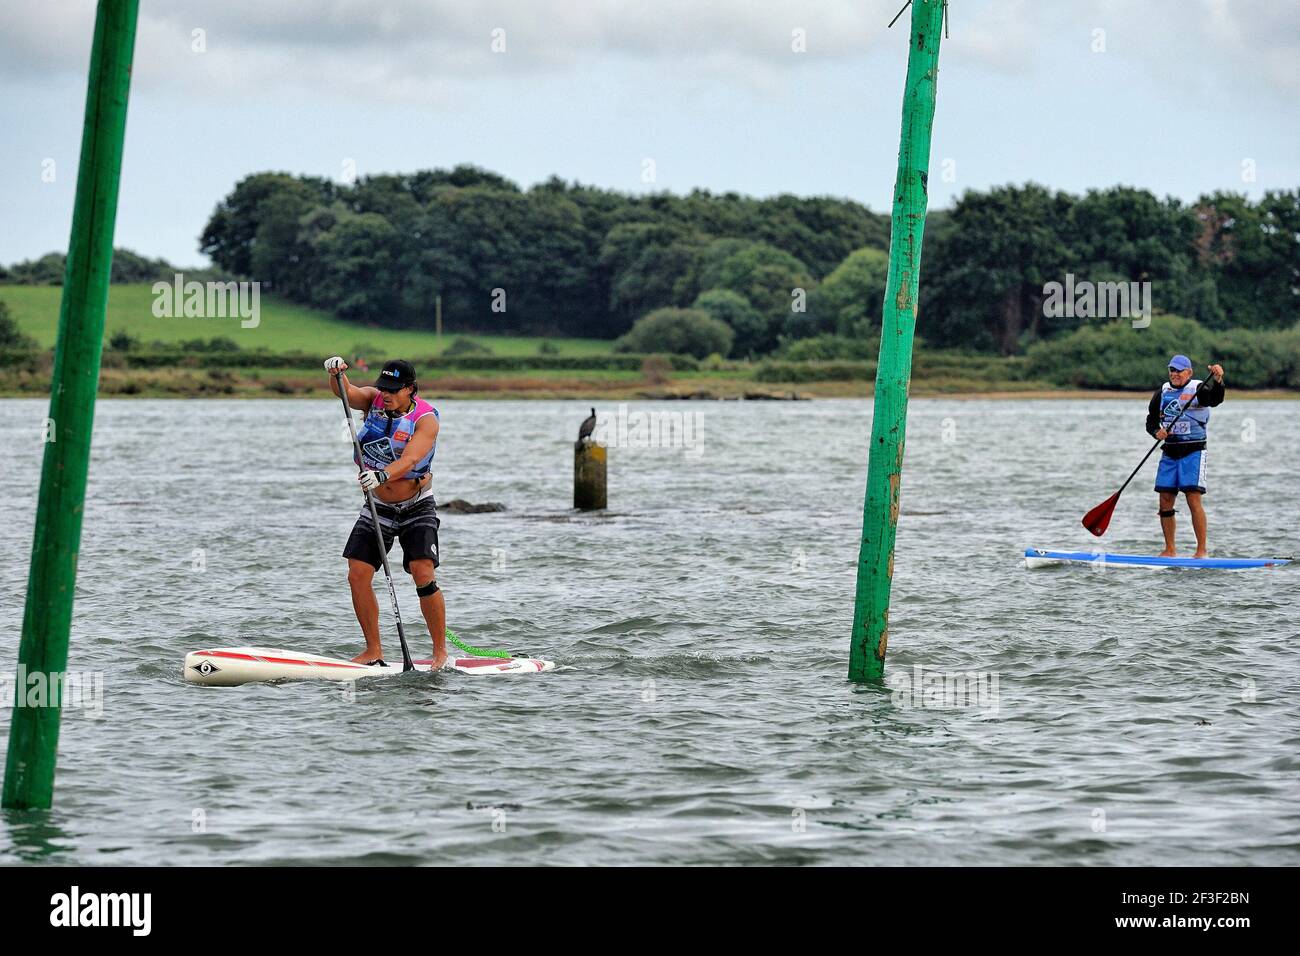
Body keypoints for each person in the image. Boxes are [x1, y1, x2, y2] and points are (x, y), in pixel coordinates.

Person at [325, 356, 446, 669]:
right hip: (378, 506)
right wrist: (335, 373)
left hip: (416, 504)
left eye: (394, 389)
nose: (386, 394)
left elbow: (410, 459)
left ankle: (440, 653)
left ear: (410, 389)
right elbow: (345, 391)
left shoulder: (426, 419)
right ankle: (373, 650)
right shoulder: (373, 401)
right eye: (383, 388)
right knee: (357, 573)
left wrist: (380, 475)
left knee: (422, 573)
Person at [1145, 354, 1225, 558]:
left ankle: (1201, 551)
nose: (1175, 374)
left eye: (1179, 371)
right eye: (1172, 370)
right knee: (1164, 500)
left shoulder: (1199, 388)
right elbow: (1151, 422)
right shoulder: (1162, 392)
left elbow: (1215, 400)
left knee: (1192, 498)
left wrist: (1218, 380)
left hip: (1194, 451)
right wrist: (1157, 433)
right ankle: (1170, 550)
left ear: (1189, 372)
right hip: (1170, 452)